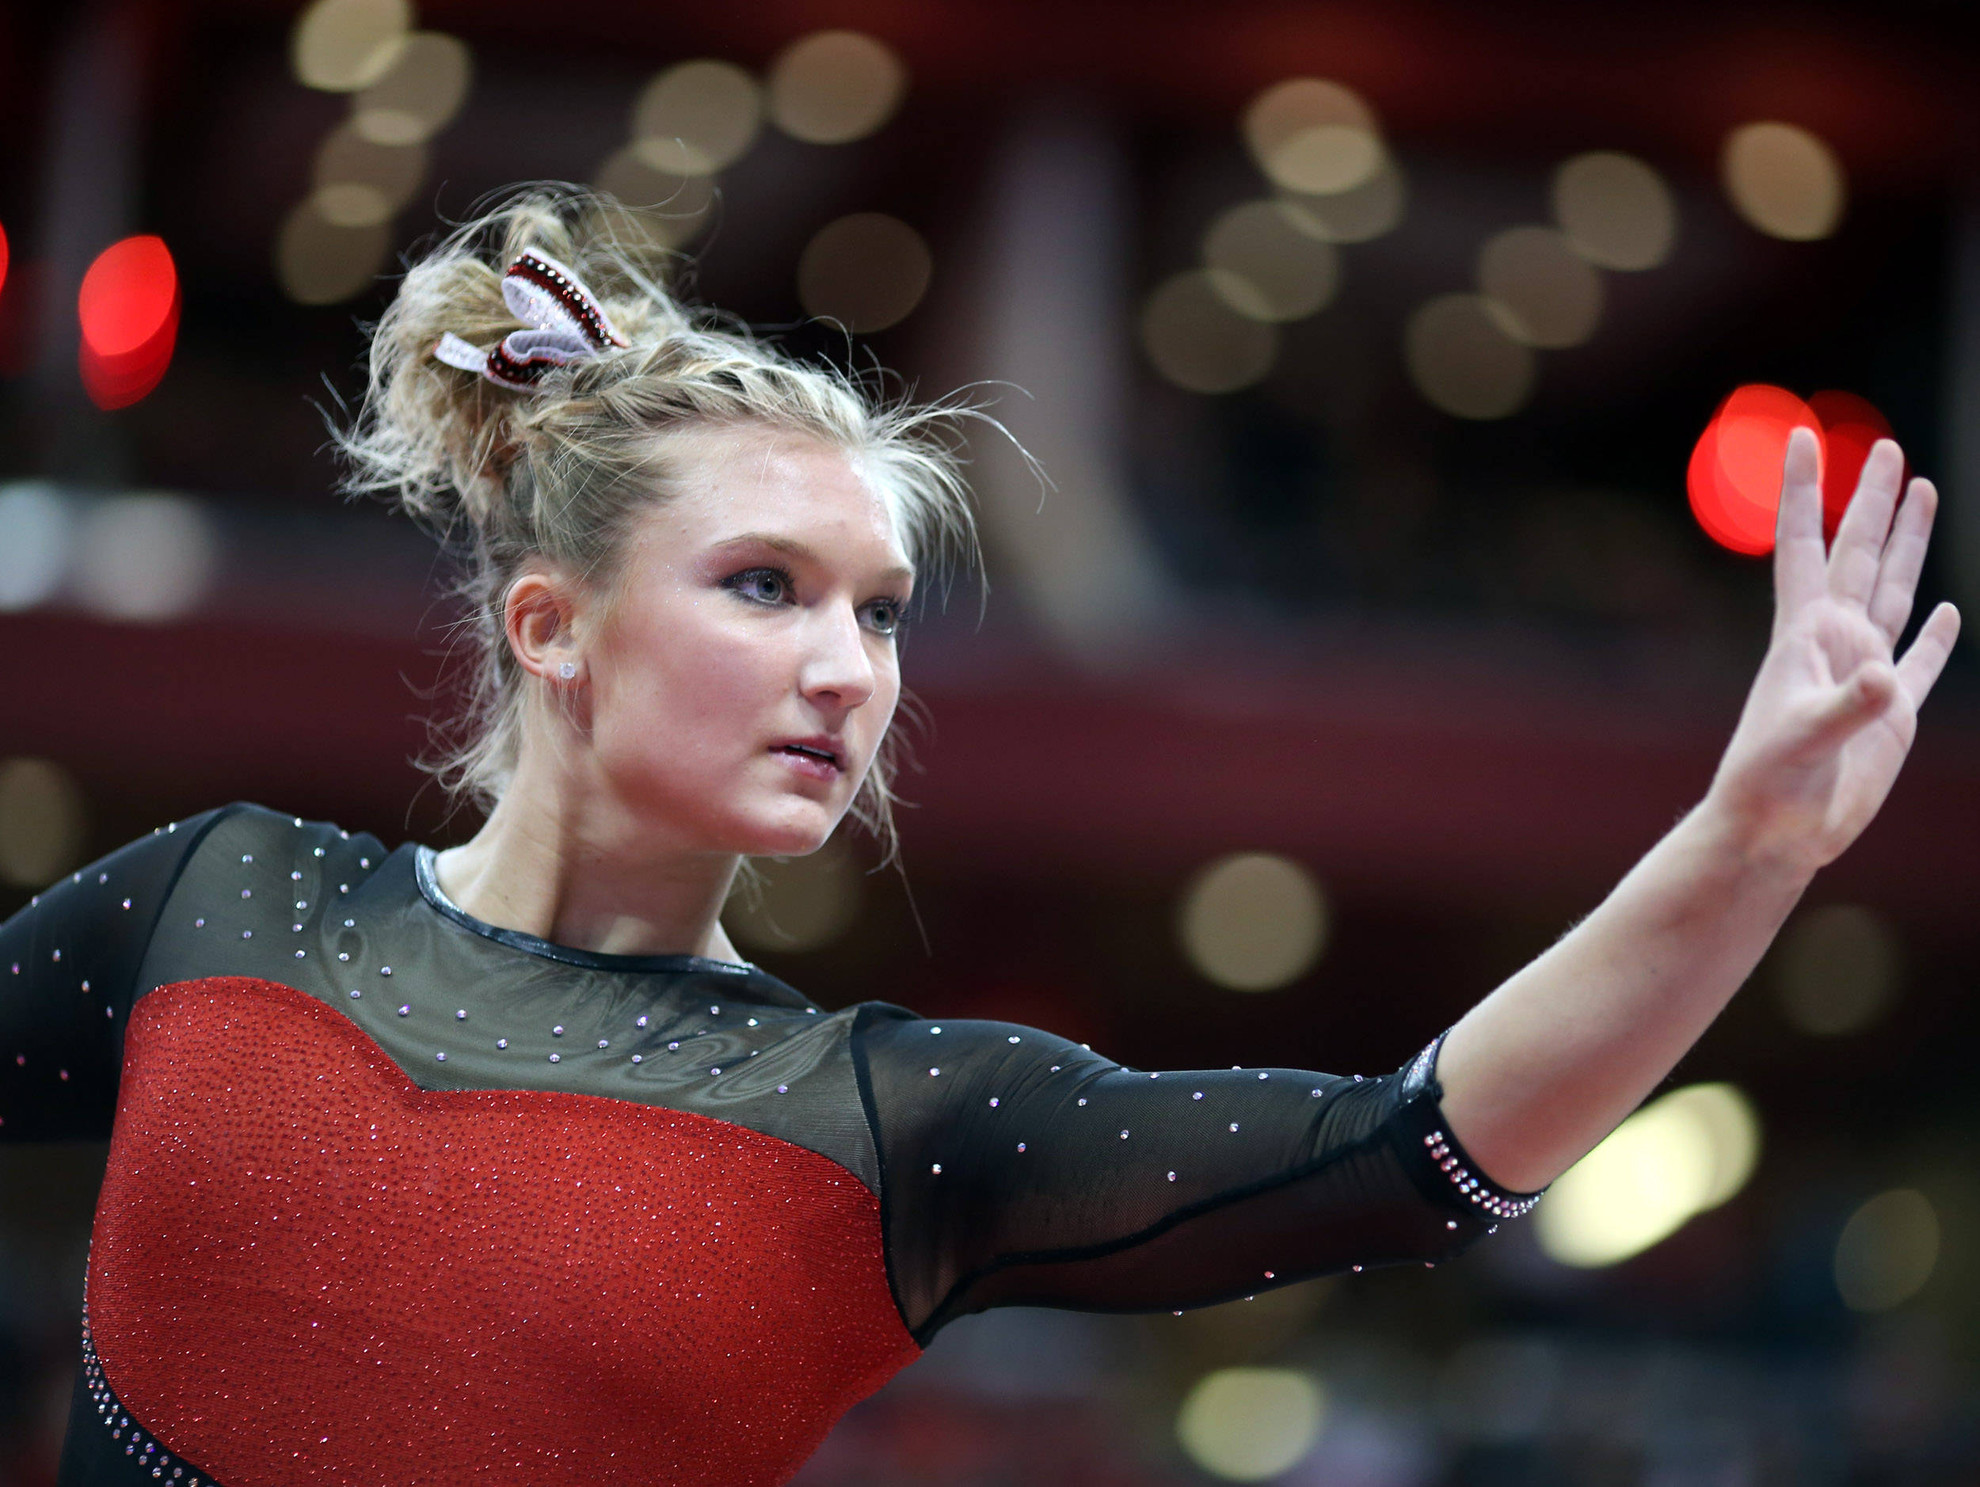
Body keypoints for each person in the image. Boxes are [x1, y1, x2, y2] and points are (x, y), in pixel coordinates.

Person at [0, 184, 1959, 1487]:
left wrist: (1747, 842)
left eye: (883, 609)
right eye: (768, 586)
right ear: (555, 626)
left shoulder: (885, 1124)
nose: (851, 667)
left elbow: (1412, 1148)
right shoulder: (222, 900)